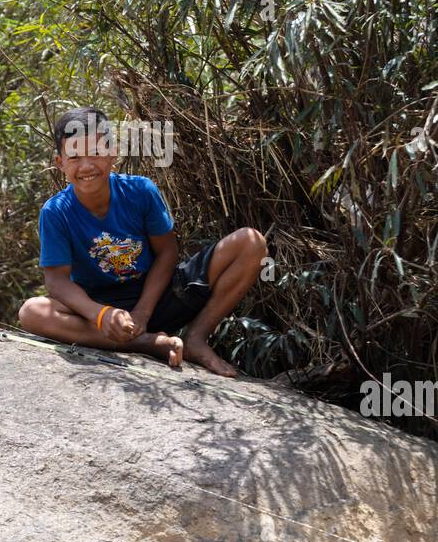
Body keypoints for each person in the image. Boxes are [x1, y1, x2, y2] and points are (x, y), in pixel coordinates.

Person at [18, 108, 267, 376]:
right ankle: (148, 344)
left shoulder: (140, 191)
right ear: (60, 162)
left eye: (96, 153)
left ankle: (196, 338)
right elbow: (57, 282)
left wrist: (143, 313)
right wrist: (101, 315)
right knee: (32, 312)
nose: (87, 165)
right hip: (102, 312)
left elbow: (168, 251)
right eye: (75, 157)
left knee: (251, 243)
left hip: (159, 297)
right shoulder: (56, 212)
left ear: (113, 152)